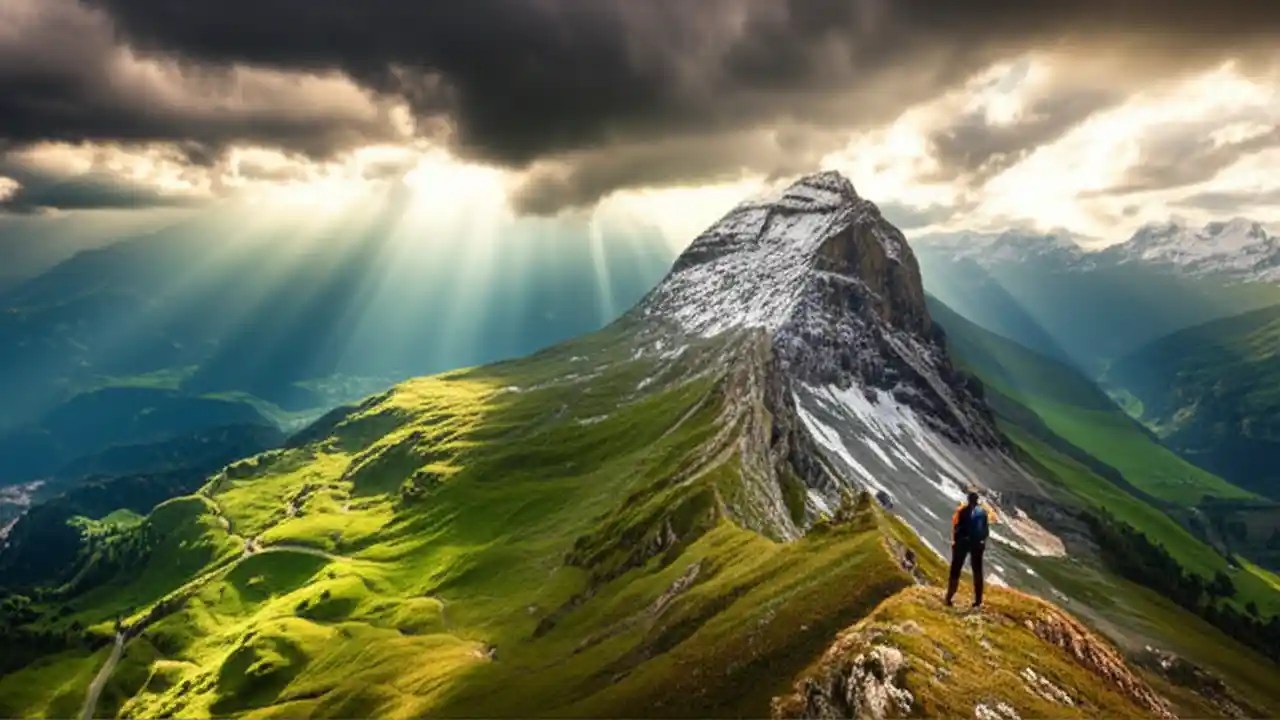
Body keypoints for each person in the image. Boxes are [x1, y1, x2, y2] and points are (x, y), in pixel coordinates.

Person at [945, 490, 995, 607]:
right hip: (977, 544)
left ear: (968, 500)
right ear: (977, 501)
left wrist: (956, 542)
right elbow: (986, 531)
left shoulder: (962, 511)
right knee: (977, 572)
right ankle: (978, 600)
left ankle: (949, 597)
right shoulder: (983, 513)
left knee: (955, 570)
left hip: (963, 543)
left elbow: (957, 527)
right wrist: (981, 542)